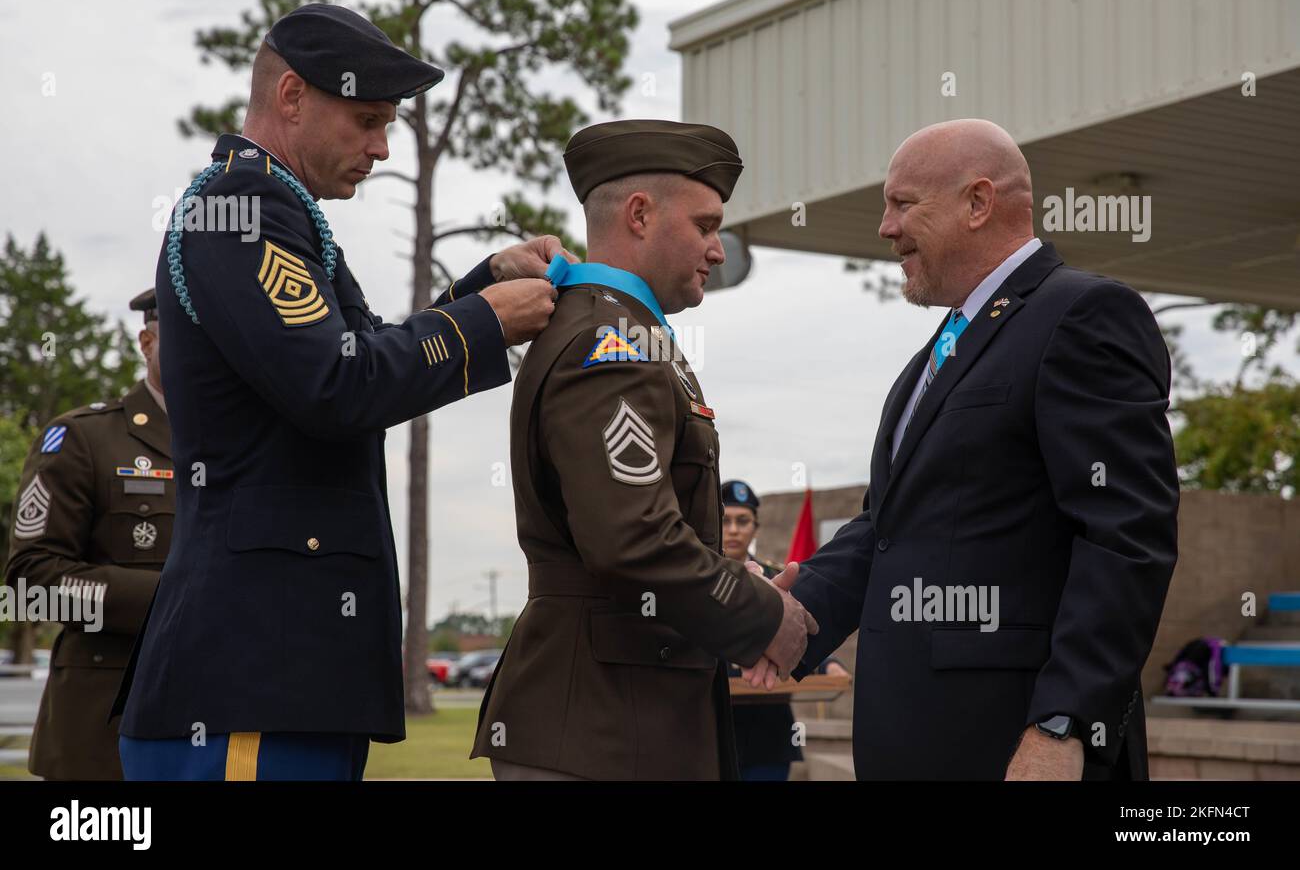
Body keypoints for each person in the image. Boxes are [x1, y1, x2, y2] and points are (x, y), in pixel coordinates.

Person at [113, 3, 563, 781]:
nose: (383, 148)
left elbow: (347, 354)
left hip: (279, 673)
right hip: (252, 677)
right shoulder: (240, 209)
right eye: (366, 120)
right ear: (292, 96)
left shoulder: (275, 208)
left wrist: (479, 288)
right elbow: (335, 383)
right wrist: (481, 323)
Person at [745, 119, 1178, 781]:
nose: (885, 228)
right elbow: (890, 529)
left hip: (1017, 748)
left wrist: (1064, 722)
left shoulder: (1084, 315)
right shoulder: (943, 348)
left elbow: (1127, 536)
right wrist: (797, 617)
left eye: (903, 204)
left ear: (978, 203)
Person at [470, 120, 817, 780]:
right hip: (603, 724)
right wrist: (763, 616)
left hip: (612, 717)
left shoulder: (619, 330)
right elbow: (631, 537)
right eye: (706, 225)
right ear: (639, 214)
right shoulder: (613, 344)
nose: (718, 250)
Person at [6, 288, 173, 779]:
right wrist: (171, 600)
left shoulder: (238, 446)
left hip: (220, 725)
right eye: (183, 336)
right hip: (104, 732)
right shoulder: (84, 438)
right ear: (147, 341)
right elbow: (31, 587)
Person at [720, 479, 847, 782]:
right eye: (725, 520)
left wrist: (829, 664)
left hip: (770, 732)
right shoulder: (699, 580)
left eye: (743, 521)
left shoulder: (779, 579)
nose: (734, 529)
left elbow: (800, 631)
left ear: (756, 527)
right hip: (714, 727)